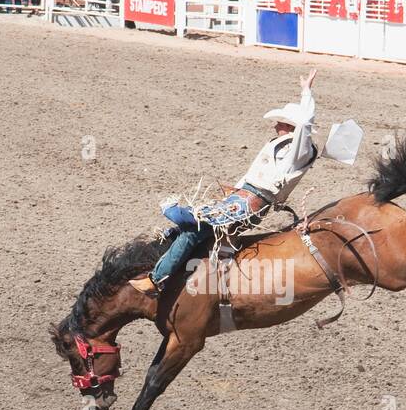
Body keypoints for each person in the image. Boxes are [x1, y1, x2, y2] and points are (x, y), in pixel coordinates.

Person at [129, 70, 319, 297]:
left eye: (280, 122)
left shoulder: (300, 150)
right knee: (186, 228)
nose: (275, 125)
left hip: (251, 204)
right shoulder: (284, 146)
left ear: (291, 127)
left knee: (192, 228)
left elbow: (305, 124)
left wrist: (306, 92)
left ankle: (156, 280)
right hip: (243, 198)